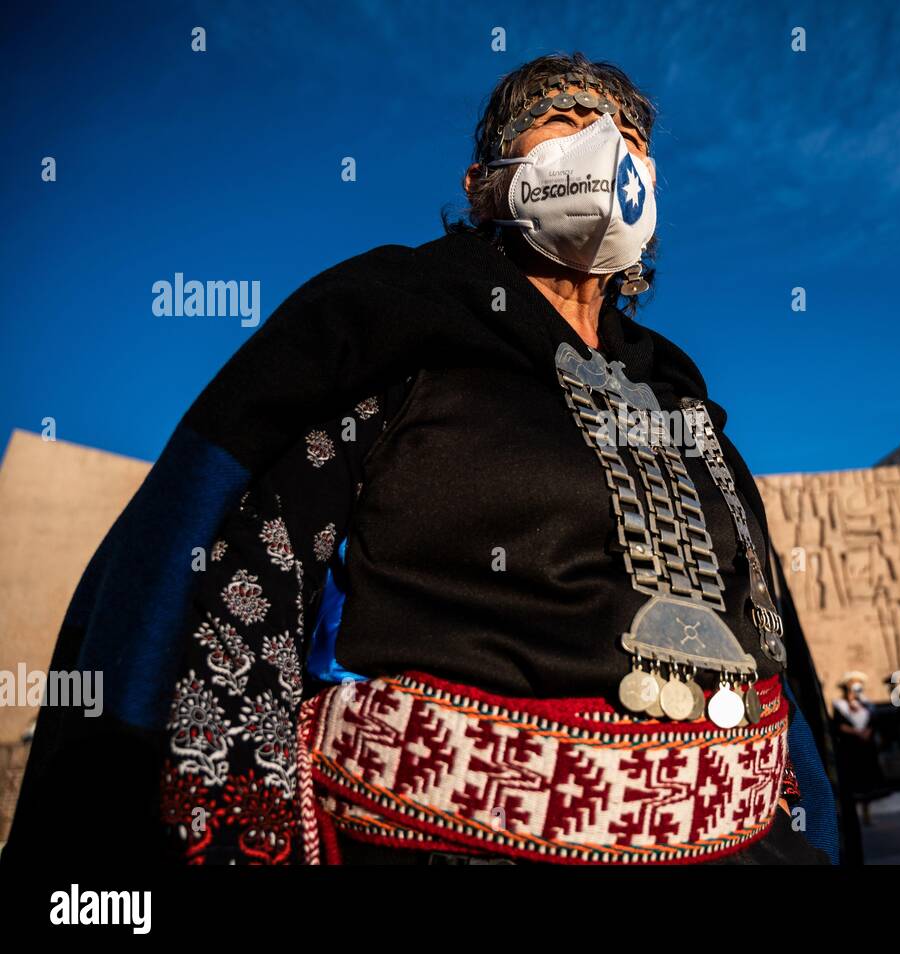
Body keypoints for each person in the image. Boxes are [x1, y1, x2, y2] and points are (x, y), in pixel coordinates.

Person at [5, 53, 839, 866]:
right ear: (485, 181)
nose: (603, 143)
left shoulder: (680, 397)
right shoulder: (387, 333)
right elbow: (235, 560)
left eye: (626, 131)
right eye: (564, 117)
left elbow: (767, 637)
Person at [831, 672, 888, 826]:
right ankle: (853, 816)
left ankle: (866, 814)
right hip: (851, 748)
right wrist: (856, 732)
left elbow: (873, 722)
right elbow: (839, 725)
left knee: (867, 781)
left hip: (866, 748)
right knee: (853, 781)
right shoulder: (839, 705)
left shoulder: (865, 703)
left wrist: (868, 731)